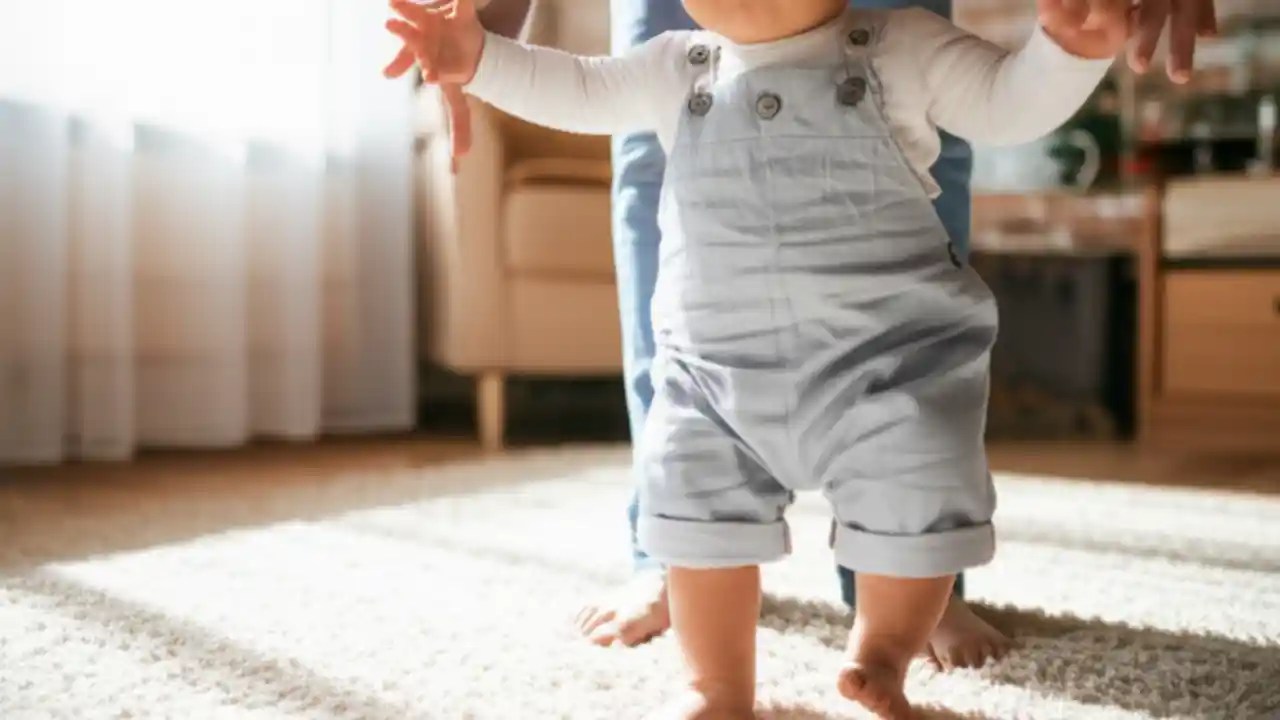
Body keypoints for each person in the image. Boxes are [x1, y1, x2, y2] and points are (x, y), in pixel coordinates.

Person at [387, 0, 1218, 673]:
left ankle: (884, 651)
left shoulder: (901, 46)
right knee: (693, 503)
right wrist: (481, 56)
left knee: (918, 482)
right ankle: (717, 681)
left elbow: (1006, 104)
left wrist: (1067, 50)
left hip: (887, 375)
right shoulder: (676, 63)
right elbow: (575, 87)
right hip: (717, 385)